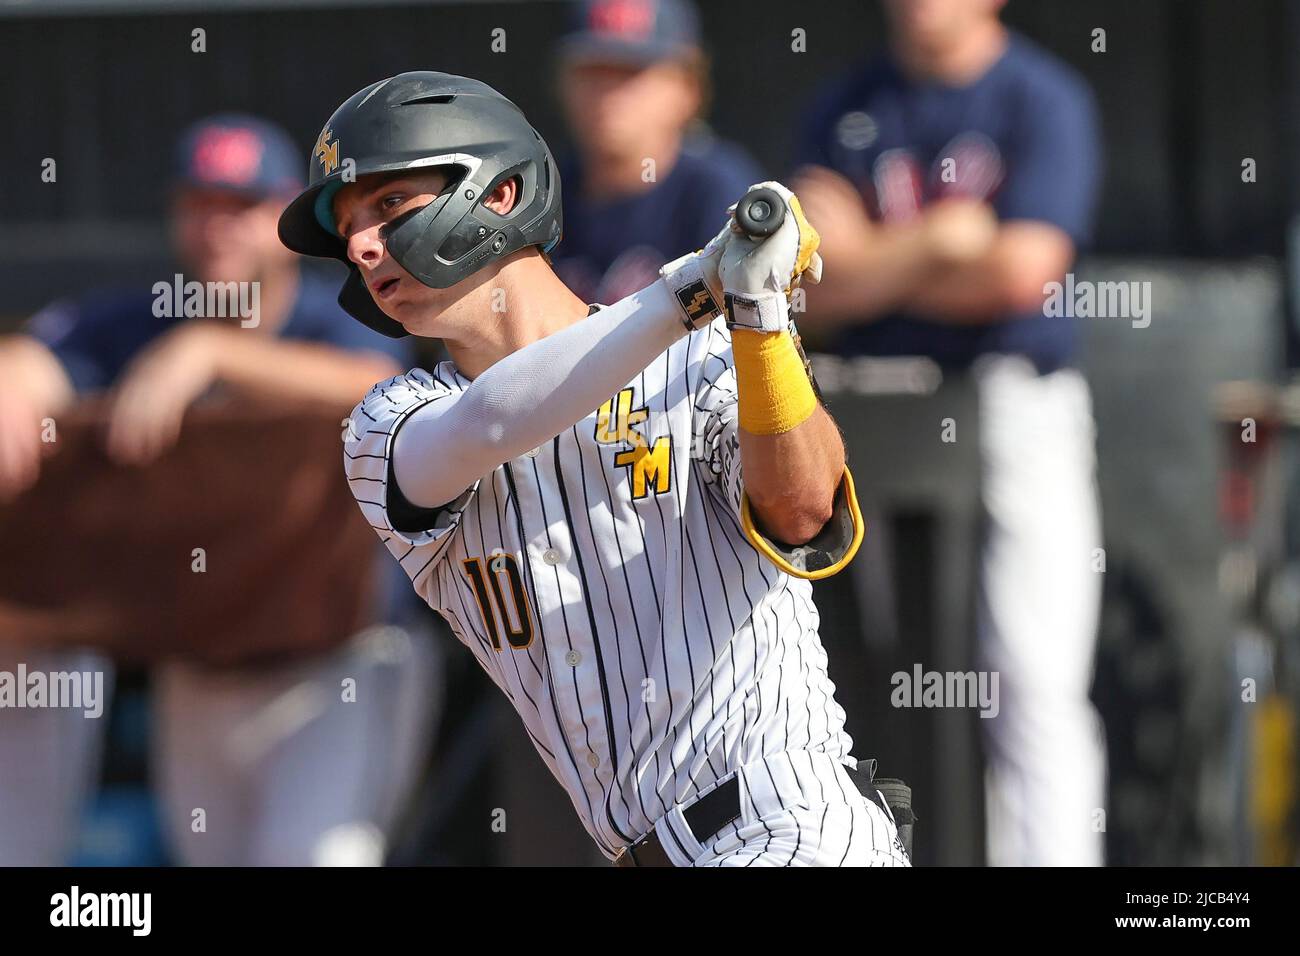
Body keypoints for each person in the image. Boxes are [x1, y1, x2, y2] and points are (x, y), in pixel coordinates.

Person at [279, 70, 910, 866]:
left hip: (784, 822)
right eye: (349, 228)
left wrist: (758, 314)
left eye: (388, 206)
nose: (362, 245)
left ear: (499, 193)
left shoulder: (700, 351)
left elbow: (803, 509)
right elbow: (498, 418)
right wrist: (698, 283)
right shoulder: (387, 424)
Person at [0, 115, 439, 865]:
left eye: (241, 205)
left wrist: (214, 354)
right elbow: (43, 352)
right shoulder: (148, 318)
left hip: (339, 667)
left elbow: (384, 388)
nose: (218, 227)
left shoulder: (339, 311)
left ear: (284, 218)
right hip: (194, 666)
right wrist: (15, 368)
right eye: (201, 204)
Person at [792, 0, 1106, 865]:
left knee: (1031, 685)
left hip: (1013, 399)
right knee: (869, 681)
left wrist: (872, 260)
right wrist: (939, 241)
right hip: (869, 411)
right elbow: (802, 293)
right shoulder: (846, 103)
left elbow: (1019, 274)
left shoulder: (1039, 96)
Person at [551, 0, 763, 304]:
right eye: (594, 72)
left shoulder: (718, 192)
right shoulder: (543, 191)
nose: (608, 93)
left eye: (630, 73)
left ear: (687, 89)